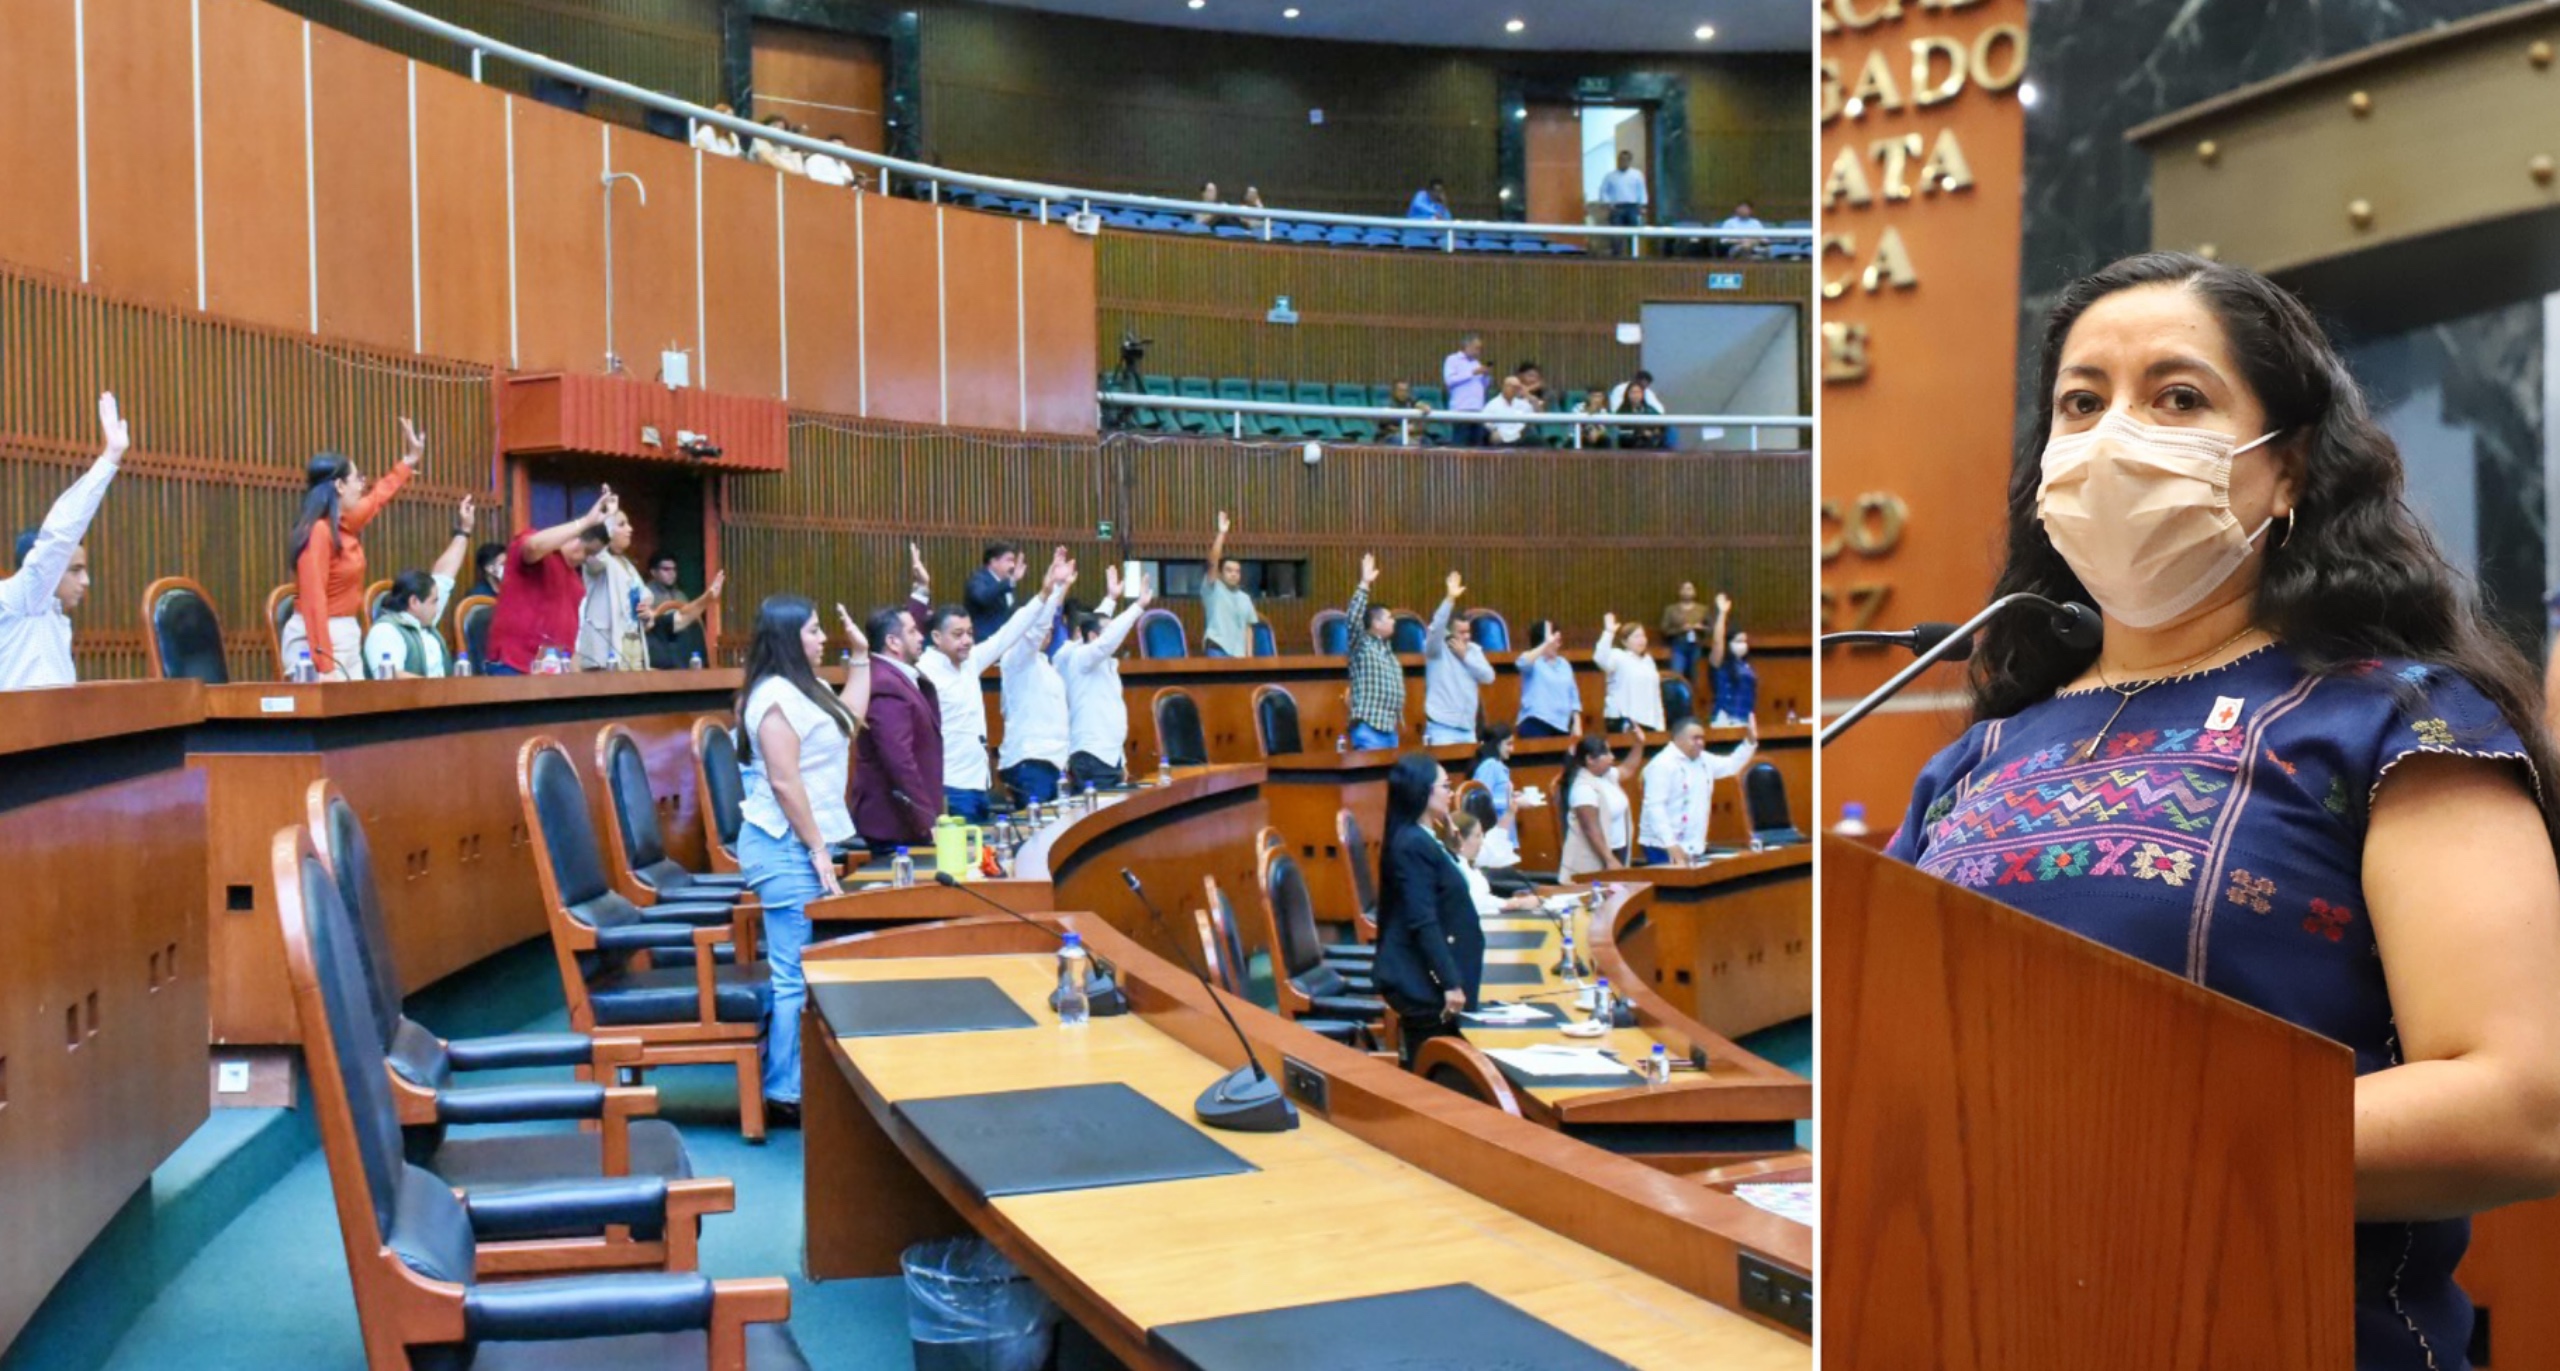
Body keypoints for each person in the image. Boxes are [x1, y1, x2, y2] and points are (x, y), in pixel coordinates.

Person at [1887, 252, 2560, 1368]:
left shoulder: (2397, 723)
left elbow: (2523, 1103)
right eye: (2081, 403)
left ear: (2287, 467)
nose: (2115, 437)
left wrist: (2118, 1143)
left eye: (2177, 398)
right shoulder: (1975, 759)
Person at [733, 596, 871, 1128]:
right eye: (814, 631)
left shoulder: (802, 691)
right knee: (793, 972)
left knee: (803, 965)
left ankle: (793, 1078)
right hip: (784, 845)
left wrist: (861, 656)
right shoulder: (772, 697)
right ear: (790, 638)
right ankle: (785, 1091)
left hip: (803, 843)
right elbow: (784, 780)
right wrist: (817, 849)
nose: (821, 639)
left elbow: (849, 720)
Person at [919, 545, 1071, 822]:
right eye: (958, 634)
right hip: (948, 786)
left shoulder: (971, 662)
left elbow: (1009, 632)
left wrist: (1046, 593)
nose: (966, 640)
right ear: (937, 638)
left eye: (969, 633)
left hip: (980, 785)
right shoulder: (923, 673)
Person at [2, 391, 127, 691]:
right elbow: (61, 533)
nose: (86, 581)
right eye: (74, 570)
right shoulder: (20, 597)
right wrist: (110, 458)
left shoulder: (54, 618)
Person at [285, 418, 423, 681]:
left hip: (346, 633)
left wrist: (409, 460)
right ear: (339, 486)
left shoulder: (345, 521)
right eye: (357, 478)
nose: (362, 485)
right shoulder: (318, 532)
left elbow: (377, 498)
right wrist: (325, 666)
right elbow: (314, 603)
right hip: (316, 640)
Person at [1370, 754, 1483, 1066]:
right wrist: (1450, 982)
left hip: (1429, 977)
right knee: (1435, 1072)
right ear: (1421, 791)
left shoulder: (1422, 837)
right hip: (1422, 983)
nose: (1451, 792)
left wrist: (1451, 849)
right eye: (1445, 786)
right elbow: (1423, 919)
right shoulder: (1411, 844)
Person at [851, 547, 943, 850]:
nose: (922, 637)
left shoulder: (889, 670)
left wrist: (920, 591)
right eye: (915, 632)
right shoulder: (885, 684)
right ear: (892, 643)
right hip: (897, 826)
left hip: (903, 822)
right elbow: (899, 760)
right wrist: (927, 822)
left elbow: (901, 626)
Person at [483, 488, 616, 675]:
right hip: (512, 665)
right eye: (586, 551)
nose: (584, 559)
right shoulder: (541, 555)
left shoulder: (577, 585)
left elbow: (572, 645)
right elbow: (533, 546)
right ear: (573, 537)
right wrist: (586, 522)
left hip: (553, 673)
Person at [360, 495, 476, 679]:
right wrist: (441, 693)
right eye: (434, 602)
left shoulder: (425, 619)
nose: (438, 608)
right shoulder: (385, 631)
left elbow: (445, 574)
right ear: (414, 602)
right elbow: (390, 677)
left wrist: (465, 530)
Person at [1057, 568, 1151, 789]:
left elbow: (1096, 628)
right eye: (1105, 633)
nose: (1114, 639)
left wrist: (1110, 599)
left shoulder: (1104, 662)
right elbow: (1104, 639)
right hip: (1091, 757)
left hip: (1110, 756)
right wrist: (1137, 607)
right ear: (1091, 637)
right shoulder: (1080, 658)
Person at [994, 563, 1075, 808]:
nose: (1047, 633)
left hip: (1055, 763)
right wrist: (1054, 591)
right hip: (1031, 763)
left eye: (1052, 630)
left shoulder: (1046, 665)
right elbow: (1034, 630)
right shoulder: (1016, 658)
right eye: (1044, 629)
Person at [1637, 715, 1759, 866]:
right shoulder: (1661, 765)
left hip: (1693, 845)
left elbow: (1731, 765)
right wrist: (1670, 844)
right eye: (1695, 738)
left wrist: (1750, 742)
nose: (1700, 743)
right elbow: (1655, 807)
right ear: (1678, 739)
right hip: (1662, 845)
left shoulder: (1705, 760)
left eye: (1702, 738)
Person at [1557, 734, 1642, 882]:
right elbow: (1591, 829)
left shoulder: (1606, 775)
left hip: (1617, 849)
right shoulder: (1583, 788)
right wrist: (1609, 860)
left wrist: (1639, 743)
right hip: (1593, 860)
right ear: (1590, 759)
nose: (1612, 757)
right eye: (1607, 753)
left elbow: (1628, 769)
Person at [575, 508, 652, 672]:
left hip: (632, 643)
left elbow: (645, 596)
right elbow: (597, 557)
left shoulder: (627, 564)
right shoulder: (597, 557)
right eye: (622, 524)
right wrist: (606, 520)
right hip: (604, 648)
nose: (630, 529)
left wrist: (647, 612)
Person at [1421, 571, 1492, 746]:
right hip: (1441, 728)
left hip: (1468, 728)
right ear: (1449, 632)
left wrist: (1465, 657)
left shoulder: (1473, 651)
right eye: (1461, 632)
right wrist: (1449, 599)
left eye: (1468, 631)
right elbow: (1437, 625)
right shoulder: (1436, 649)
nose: (1467, 636)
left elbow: (1489, 676)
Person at [1344, 553, 1405, 750]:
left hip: (1389, 730)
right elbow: (1353, 619)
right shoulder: (1362, 645)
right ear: (1376, 623)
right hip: (1369, 729)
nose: (1394, 621)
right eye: (1389, 618)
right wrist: (1364, 584)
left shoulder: (1388, 651)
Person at [1447, 813, 1542, 919]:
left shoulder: (1466, 860)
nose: (1481, 842)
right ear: (1461, 839)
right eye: (1477, 836)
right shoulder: (1455, 868)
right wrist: (1515, 903)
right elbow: (1477, 903)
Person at [642, 554, 723, 668]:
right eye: (666, 569)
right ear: (653, 572)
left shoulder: (681, 595)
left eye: (674, 569)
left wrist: (708, 598)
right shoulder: (645, 593)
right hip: (659, 648)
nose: (672, 573)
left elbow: (686, 618)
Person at [1200, 511, 1260, 657]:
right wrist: (1221, 533)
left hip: (1239, 654)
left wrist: (1250, 658)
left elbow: (1248, 629)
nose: (1234, 574)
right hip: (1217, 648)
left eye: (1237, 571)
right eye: (1229, 570)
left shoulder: (1245, 598)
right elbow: (1213, 562)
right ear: (1221, 573)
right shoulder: (1213, 588)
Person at [1593, 612, 1664, 734]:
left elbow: (1656, 693)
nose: (1641, 640)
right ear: (1625, 642)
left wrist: (1660, 723)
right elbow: (1600, 658)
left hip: (1650, 720)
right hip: (1623, 720)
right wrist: (1609, 632)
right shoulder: (1618, 655)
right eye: (1636, 636)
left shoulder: (1648, 660)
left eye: (1643, 636)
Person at [1514, 618, 1580, 739]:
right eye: (1554, 635)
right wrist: (1545, 644)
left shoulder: (1564, 664)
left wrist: (1577, 723)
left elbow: (1573, 696)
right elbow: (1521, 663)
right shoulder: (1534, 660)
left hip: (1562, 724)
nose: (1558, 639)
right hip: (1536, 722)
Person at [1705, 594, 1756, 727]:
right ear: (1729, 643)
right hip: (1725, 720)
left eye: (1745, 641)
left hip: (1745, 719)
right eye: (1738, 641)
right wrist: (1722, 614)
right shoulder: (1720, 663)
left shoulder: (1746, 666)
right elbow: (1717, 642)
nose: (1743, 644)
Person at [964, 539, 1023, 643]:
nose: (1013, 566)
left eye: (1013, 561)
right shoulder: (978, 579)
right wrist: (1011, 581)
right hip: (984, 642)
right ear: (993, 562)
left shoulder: (1006, 583)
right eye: (1009, 560)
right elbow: (982, 597)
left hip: (1004, 643)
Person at [1442, 332, 1492, 445]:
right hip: (1461, 408)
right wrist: (1472, 372)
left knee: (1477, 445)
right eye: (1476, 348)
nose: (1478, 352)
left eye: (1480, 349)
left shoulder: (1477, 363)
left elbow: (1485, 385)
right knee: (1461, 444)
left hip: (1478, 409)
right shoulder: (1452, 359)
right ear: (1467, 346)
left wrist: (1485, 375)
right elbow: (1449, 381)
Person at [1597, 149, 1648, 256]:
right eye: (1621, 159)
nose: (1623, 162)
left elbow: (1641, 190)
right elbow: (1603, 191)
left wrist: (1642, 206)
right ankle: (1617, 257)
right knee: (1616, 235)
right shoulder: (1610, 176)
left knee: (1633, 234)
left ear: (1630, 161)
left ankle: (1634, 256)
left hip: (1632, 207)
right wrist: (1608, 204)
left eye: (1626, 160)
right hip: (1617, 207)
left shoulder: (1637, 174)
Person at [1662, 582, 1709, 681]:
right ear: (1679, 592)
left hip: (1697, 645)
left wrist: (1701, 627)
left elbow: (1711, 628)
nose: (1687, 591)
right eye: (1684, 589)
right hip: (1678, 645)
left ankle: (1695, 695)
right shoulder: (1671, 609)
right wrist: (1680, 629)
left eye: (1690, 589)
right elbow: (1665, 629)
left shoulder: (1703, 609)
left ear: (1695, 592)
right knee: (1676, 675)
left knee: (1697, 676)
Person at [1610, 371, 1668, 450]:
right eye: (1633, 393)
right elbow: (1621, 423)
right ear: (1628, 394)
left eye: (1638, 393)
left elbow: (1660, 414)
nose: (1636, 395)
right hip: (1629, 438)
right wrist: (1642, 431)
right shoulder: (1622, 409)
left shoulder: (1647, 407)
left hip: (1647, 435)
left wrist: (1655, 431)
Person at [1480, 374, 1539, 446]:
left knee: (1536, 440)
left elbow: (1535, 417)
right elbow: (1486, 424)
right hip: (1501, 440)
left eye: (1518, 388)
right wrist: (1495, 432)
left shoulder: (1523, 404)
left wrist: (1528, 396)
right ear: (1504, 387)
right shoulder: (1493, 404)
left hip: (1520, 439)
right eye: (1513, 387)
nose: (1515, 390)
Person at [1374, 380, 1433, 446]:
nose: (1403, 393)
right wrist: (1404, 428)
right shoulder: (1387, 405)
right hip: (1390, 437)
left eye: (1406, 391)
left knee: (1426, 441)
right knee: (1399, 441)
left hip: (1413, 436)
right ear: (1394, 392)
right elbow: (1386, 426)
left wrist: (1422, 406)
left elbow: (1422, 425)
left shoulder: (1412, 403)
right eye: (1400, 390)